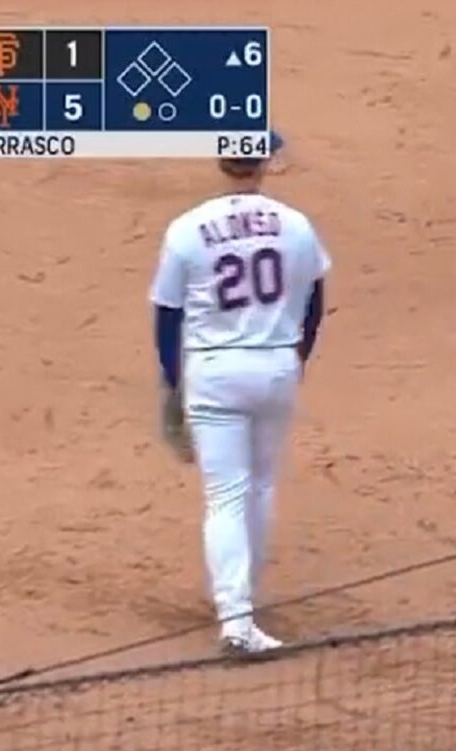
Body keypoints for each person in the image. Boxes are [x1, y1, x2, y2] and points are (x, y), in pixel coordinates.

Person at [149, 131, 329, 656]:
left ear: (220, 159)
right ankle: (244, 603)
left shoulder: (187, 230)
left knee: (225, 495)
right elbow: (316, 300)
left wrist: (171, 381)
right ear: (265, 161)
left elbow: (168, 315)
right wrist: (297, 358)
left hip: (213, 372)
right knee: (262, 485)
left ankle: (236, 617)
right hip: (276, 365)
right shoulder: (295, 225)